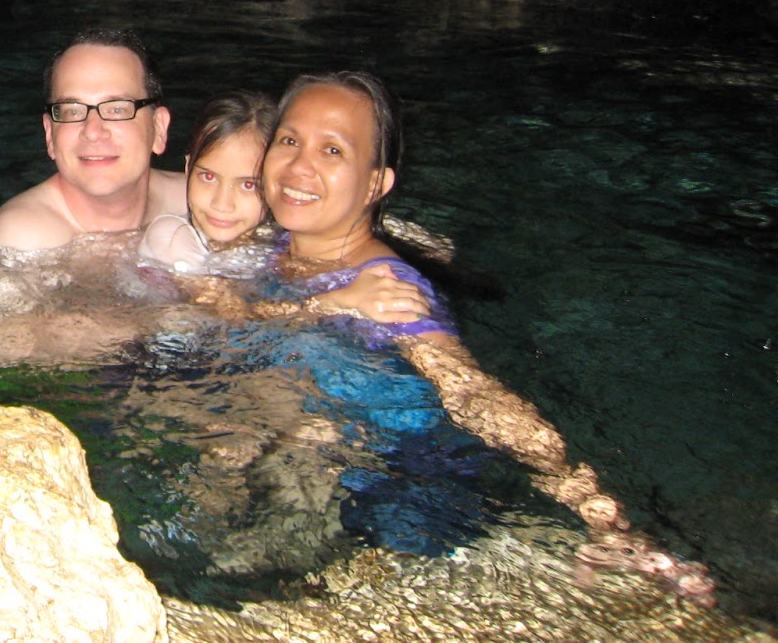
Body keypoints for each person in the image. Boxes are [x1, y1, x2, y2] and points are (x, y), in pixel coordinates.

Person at [178, 71, 717, 605]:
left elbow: (473, 394)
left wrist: (604, 517)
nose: (300, 166)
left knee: (217, 576)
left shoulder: (389, 292)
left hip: (401, 484)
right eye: (290, 141)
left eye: (333, 151)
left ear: (375, 184)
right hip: (331, 457)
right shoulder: (283, 249)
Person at [137, 89, 429, 323]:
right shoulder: (171, 237)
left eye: (248, 184)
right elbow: (232, 316)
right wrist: (338, 301)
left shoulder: (267, 235)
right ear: (188, 168)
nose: (222, 204)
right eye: (208, 176)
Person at [0, 27, 187, 251]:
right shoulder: (21, 241)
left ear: (158, 129)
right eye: (72, 110)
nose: (92, 131)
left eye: (117, 109)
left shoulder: (201, 205)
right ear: (50, 134)